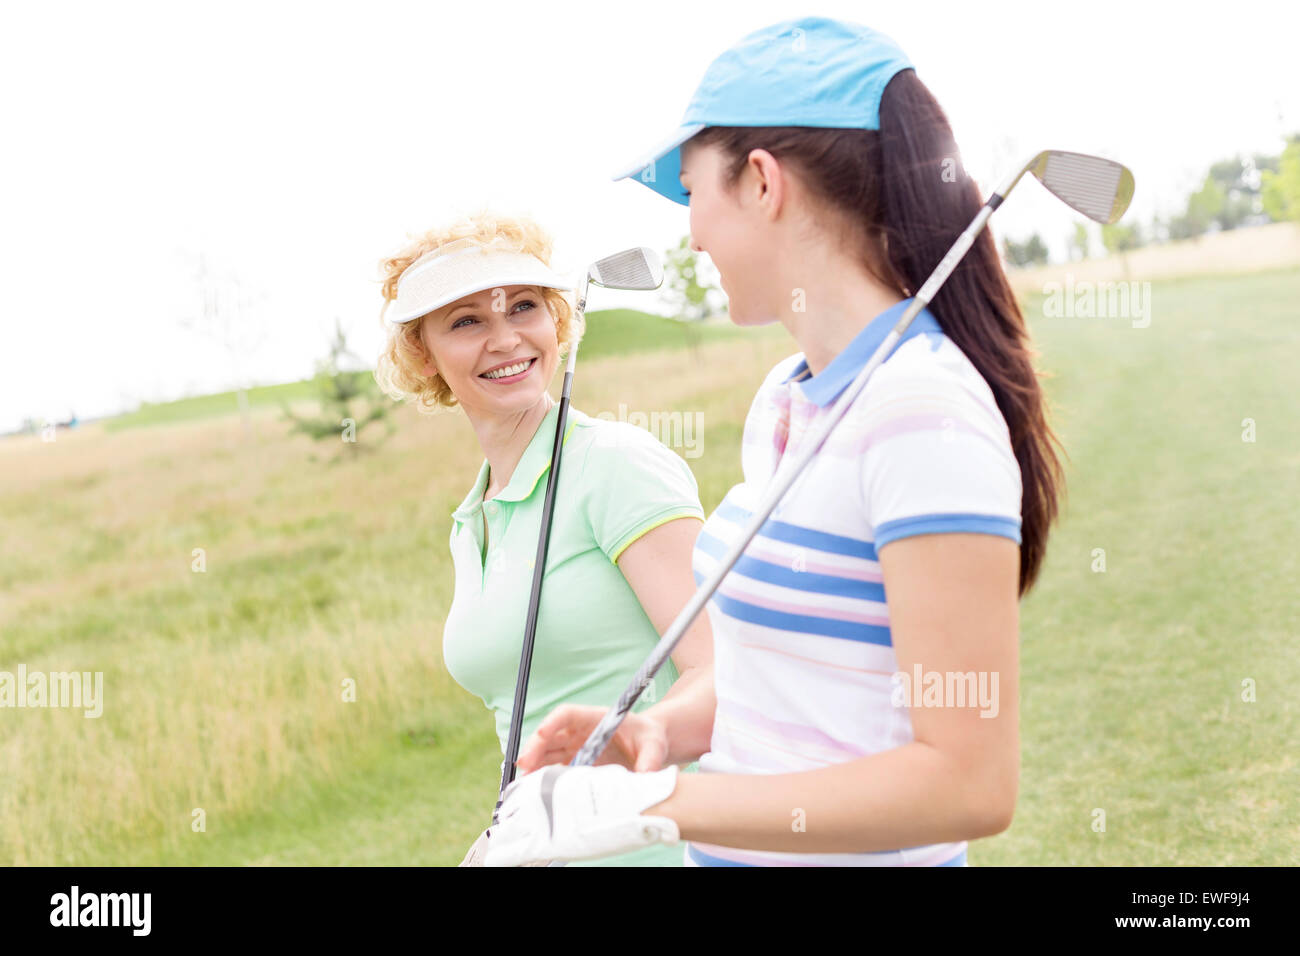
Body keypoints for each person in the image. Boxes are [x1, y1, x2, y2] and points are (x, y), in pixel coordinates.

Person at [486, 17, 1063, 867]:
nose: (693, 236)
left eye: (693, 195)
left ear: (761, 182)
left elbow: (969, 784)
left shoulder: (923, 415)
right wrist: (656, 730)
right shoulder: (786, 398)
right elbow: (786, 672)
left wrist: (662, 806)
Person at [374, 212, 712, 866]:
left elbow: (720, 665)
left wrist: (644, 745)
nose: (505, 340)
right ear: (424, 354)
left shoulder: (614, 464)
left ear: (557, 322)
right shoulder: (472, 519)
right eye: (467, 320)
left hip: (660, 850)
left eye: (523, 307)